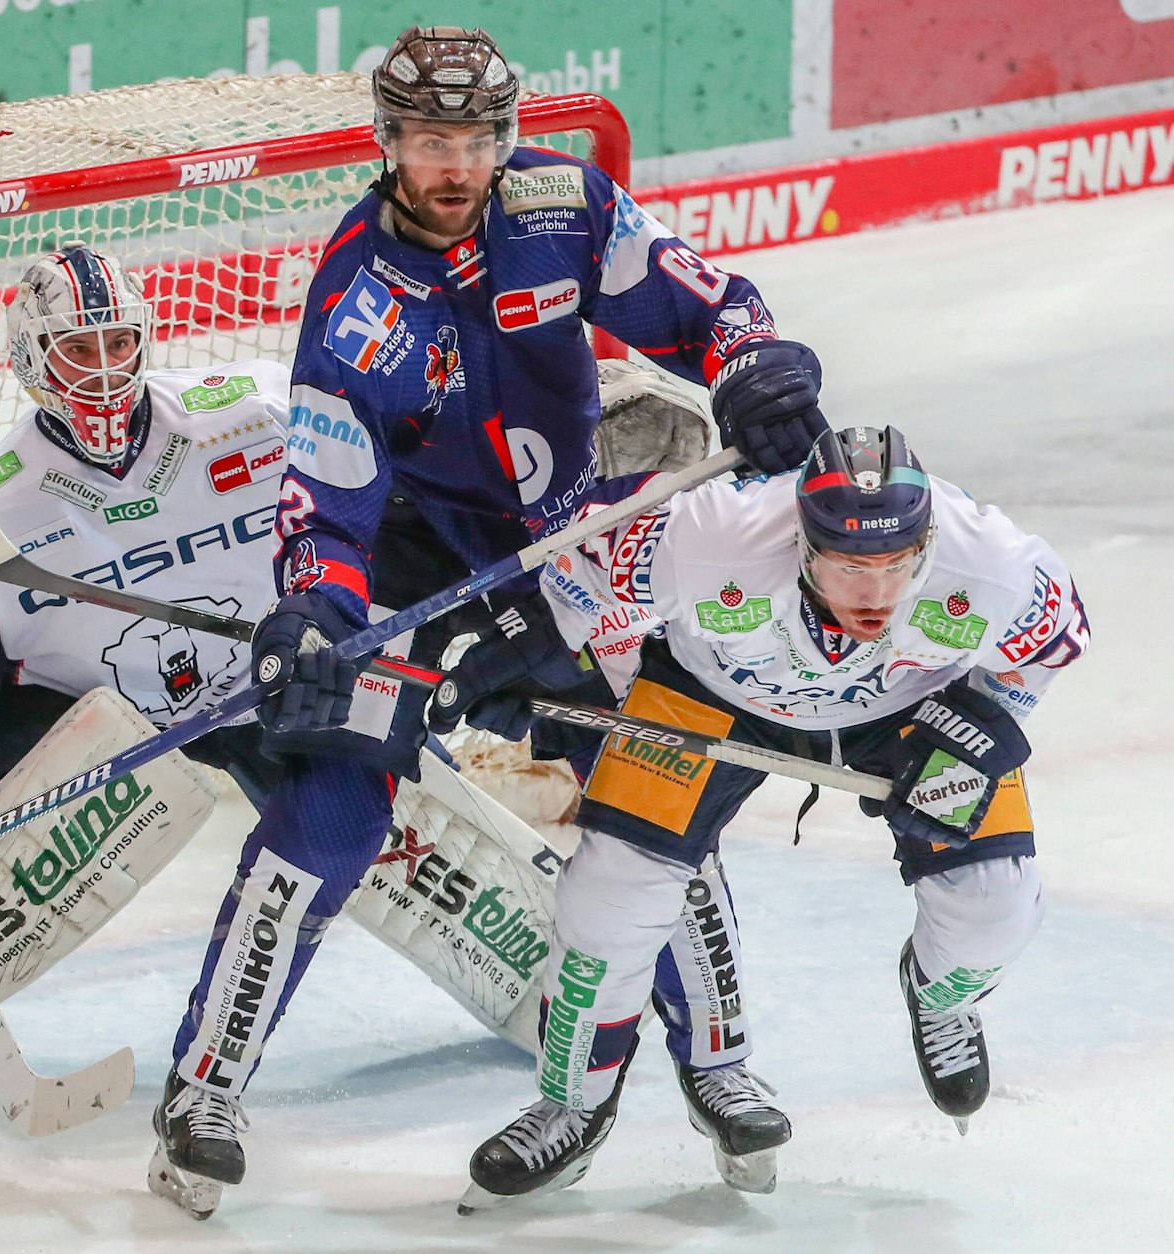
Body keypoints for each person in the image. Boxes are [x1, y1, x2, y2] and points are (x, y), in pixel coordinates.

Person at [0, 244, 716, 1132]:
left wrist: (570, 421)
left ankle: (556, 981)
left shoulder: (247, 408)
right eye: (74, 351)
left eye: (117, 342)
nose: (100, 369)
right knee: (0, 862)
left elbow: (393, 441)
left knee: (381, 825)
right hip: (90, 712)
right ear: (29, 360)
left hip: (275, 678)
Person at [152, 23, 829, 1210]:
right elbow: (331, 484)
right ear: (388, 142)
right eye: (425, 138)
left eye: (470, 137)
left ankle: (717, 1065)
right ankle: (202, 1089)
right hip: (416, 569)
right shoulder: (353, 297)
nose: (450, 163)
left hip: (572, 545)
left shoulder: (565, 206)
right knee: (328, 813)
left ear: (503, 138)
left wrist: (754, 365)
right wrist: (317, 604)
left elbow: (706, 305)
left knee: (655, 789)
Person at [455, 425, 1089, 1211]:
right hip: (711, 694)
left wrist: (985, 724)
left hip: (912, 706)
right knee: (607, 901)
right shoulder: (712, 533)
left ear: (928, 540)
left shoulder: (989, 561)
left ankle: (943, 997)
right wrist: (555, 658)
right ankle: (574, 1101)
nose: (876, 593)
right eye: (850, 567)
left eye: (897, 565)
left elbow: (1055, 641)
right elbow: (581, 561)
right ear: (803, 542)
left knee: (995, 906)